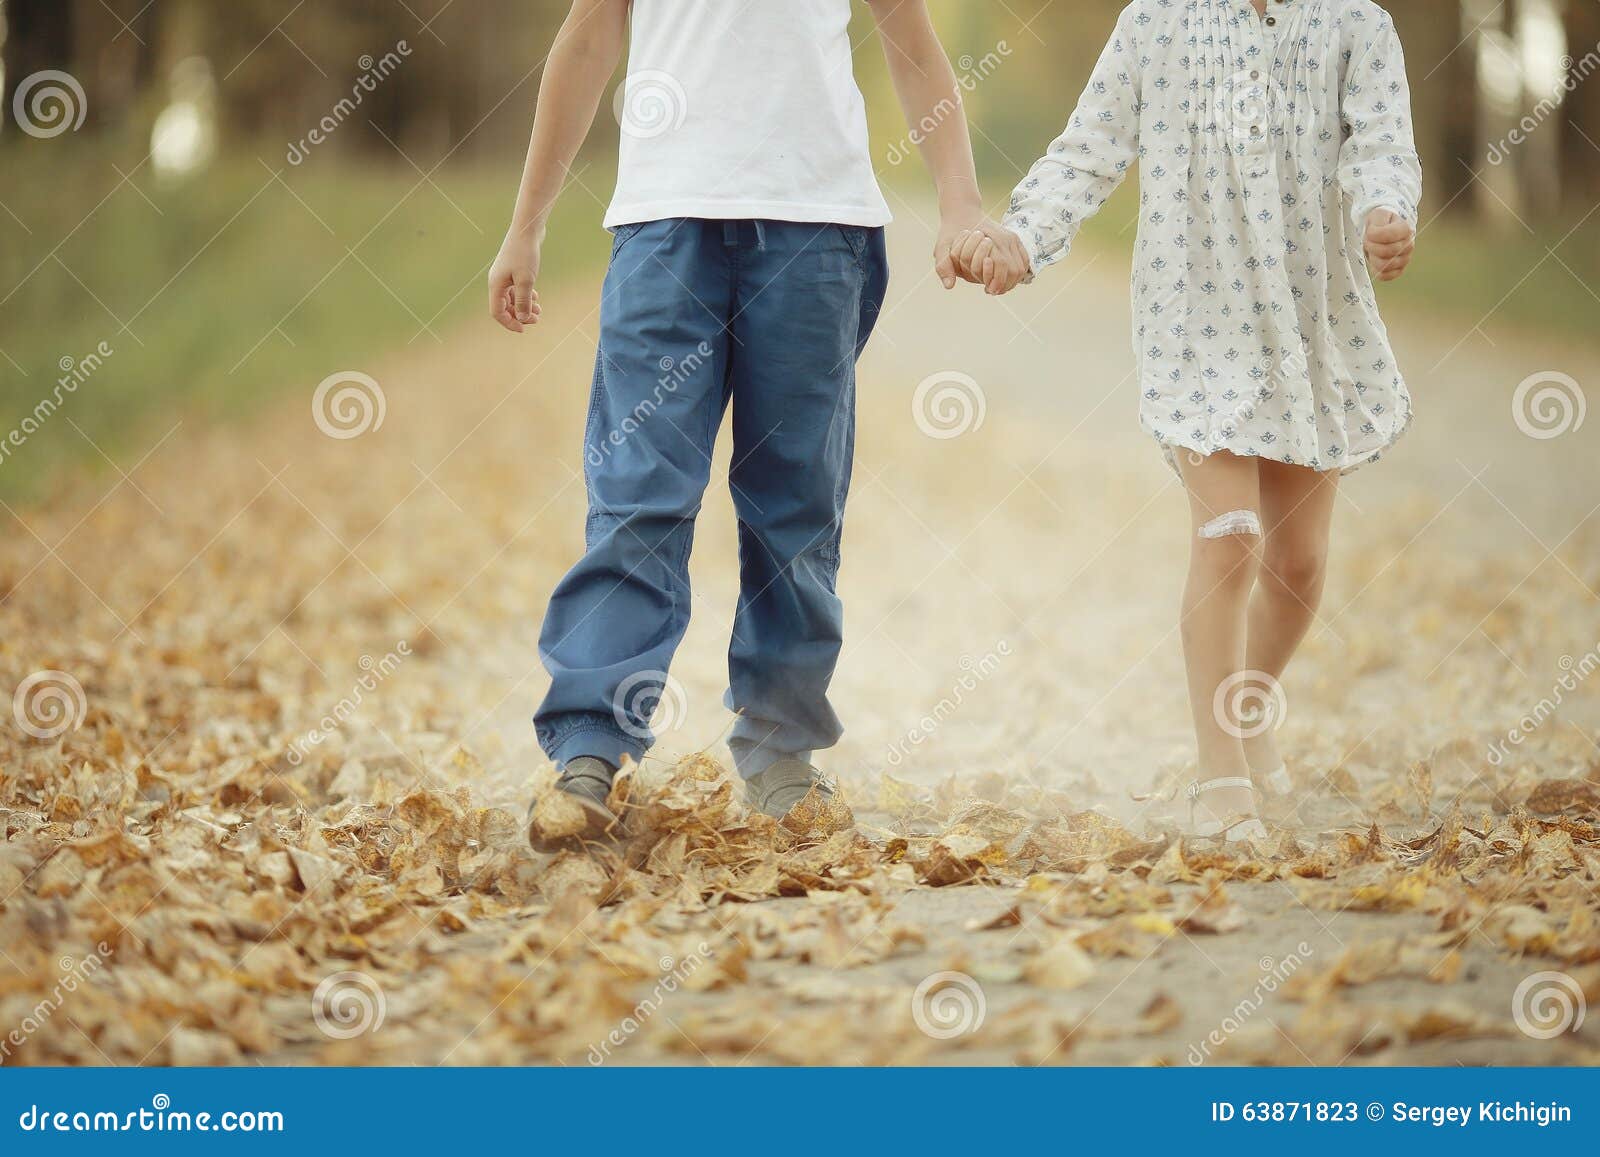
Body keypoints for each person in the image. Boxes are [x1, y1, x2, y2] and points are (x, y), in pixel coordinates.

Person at [489, 0, 1003, 848]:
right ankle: (589, 744)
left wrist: (961, 205)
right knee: (638, 492)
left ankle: (782, 747)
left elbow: (912, 45)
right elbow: (587, 39)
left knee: (796, 502)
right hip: (664, 224)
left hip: (818, 226)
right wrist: (526, 224)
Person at [952, 0, 1422, 840]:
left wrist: (1386, 209)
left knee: (1301, 563)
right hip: (1197, 321)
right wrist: (1022, 238)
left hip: (1309, 323)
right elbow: (1087, 151)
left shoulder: (1356, 24)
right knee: (1230, 532)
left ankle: (1246, 706)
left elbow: (1382, 141)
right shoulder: (1155, 25)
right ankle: (1220, 774)